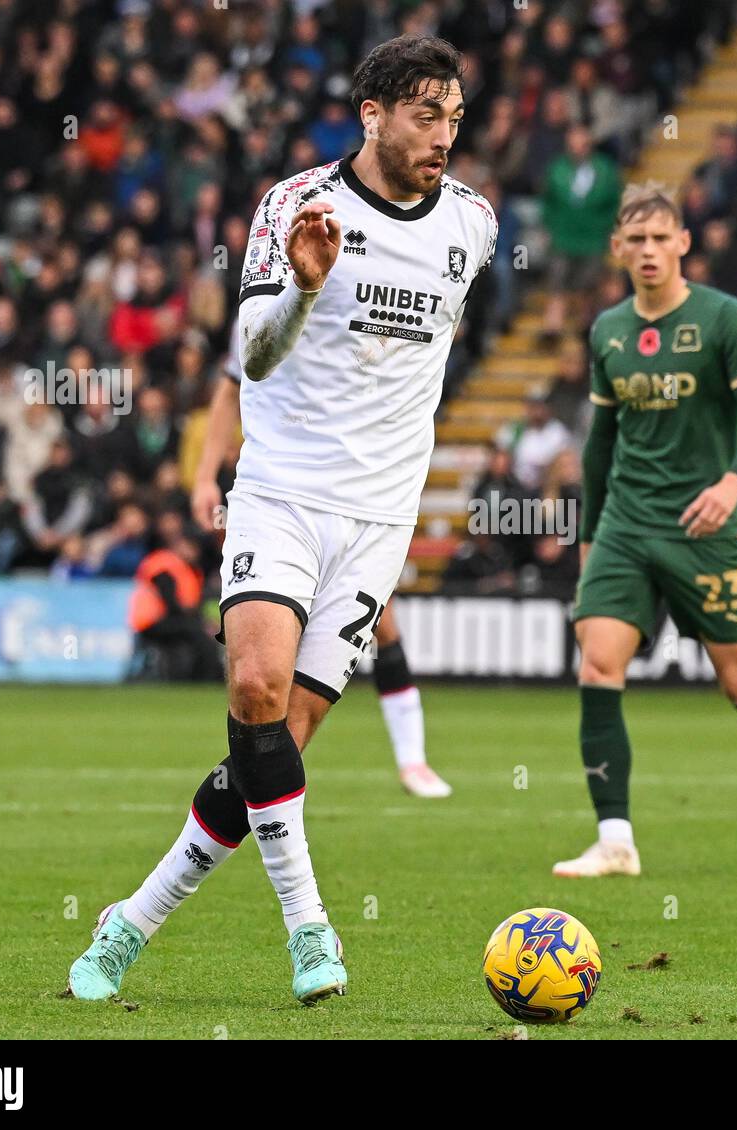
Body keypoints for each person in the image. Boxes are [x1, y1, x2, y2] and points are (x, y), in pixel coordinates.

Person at [68, 35, 496, 1007]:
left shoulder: (471, 223)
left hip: (379, 519)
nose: (443, 135)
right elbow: (253, 358)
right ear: (372, 114)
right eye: (425, 114)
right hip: (282, 492)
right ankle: (310, 925)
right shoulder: (297, 208)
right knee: (255, 683)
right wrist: (303, 288)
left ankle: (130, 918)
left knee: (270, 758)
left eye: (455, 117)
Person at [553, 183, 737, 881]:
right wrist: (591, 536)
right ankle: (616, 839)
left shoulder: (724, 318)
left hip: (703, 527)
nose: (649, 251)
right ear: (619, 248)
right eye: (637, 239)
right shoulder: (608, 331)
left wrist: (732, 483)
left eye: (662, 237)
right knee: (597, 663)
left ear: (684, 242)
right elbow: (600, 445)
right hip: (626, 522)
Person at [189, 322, 453, 798]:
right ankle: (262, 768)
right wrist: (205, 476)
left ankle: (412, 760)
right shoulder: (264, 307)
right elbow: (230, 389)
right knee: (262, 664)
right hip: (277, 492)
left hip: (350, 496)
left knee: (382, 623)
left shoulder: (363, 295)